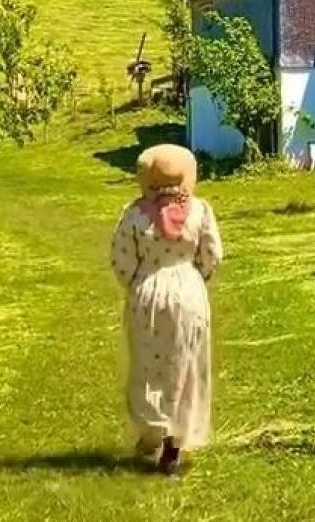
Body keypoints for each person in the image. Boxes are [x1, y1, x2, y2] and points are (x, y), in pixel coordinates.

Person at [110, 143, 223, 475]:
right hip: (188, 291)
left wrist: (138, 284)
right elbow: (212, 254)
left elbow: (121, 259)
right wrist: (194, 278)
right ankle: (173, 442)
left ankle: (152, 430)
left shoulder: (134, 213)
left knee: (148, 364)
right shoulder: (201, 210)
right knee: (186, 364)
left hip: (149, 292)